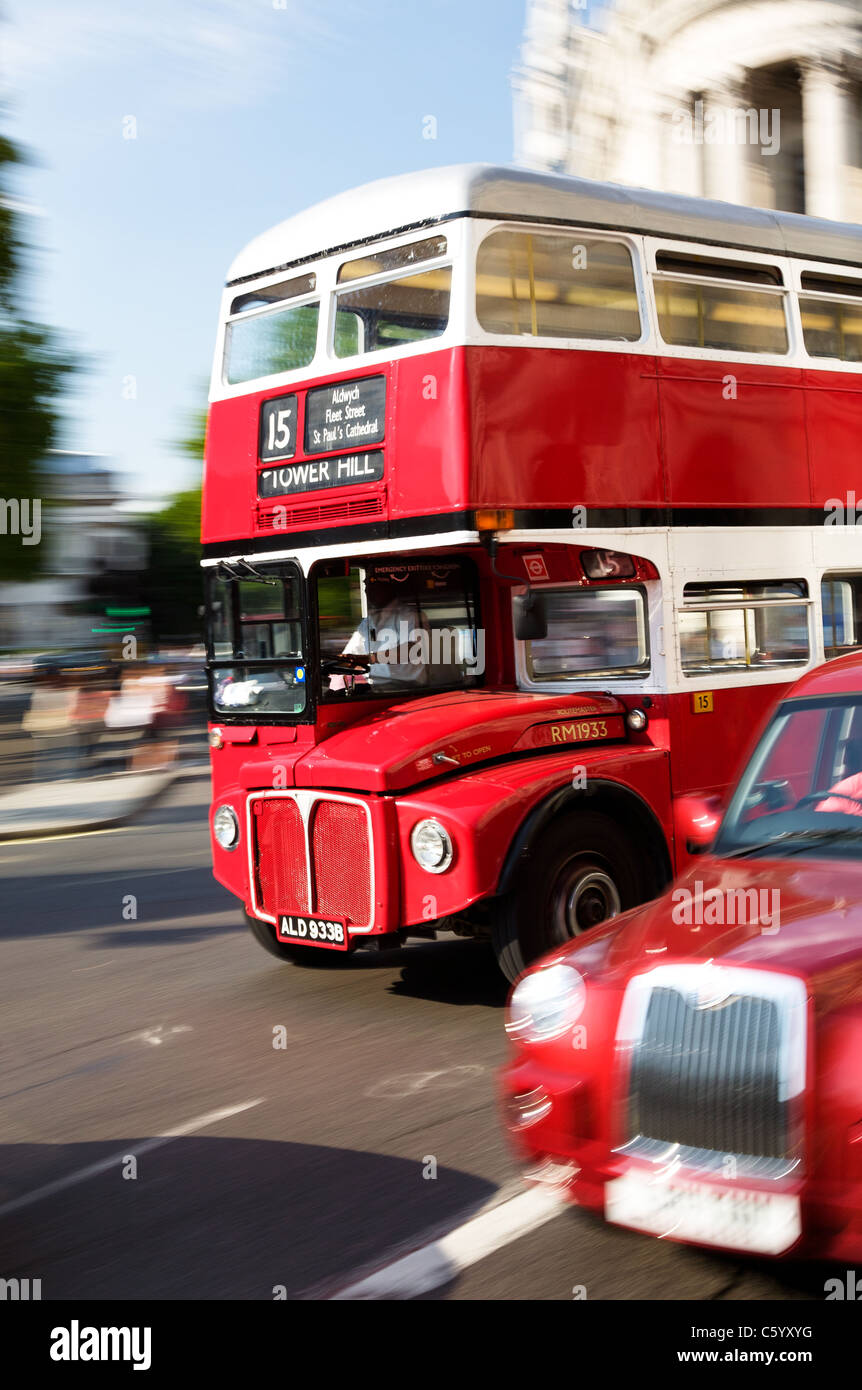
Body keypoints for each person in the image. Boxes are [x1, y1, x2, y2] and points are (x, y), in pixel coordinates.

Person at [333, 577, 430, 690]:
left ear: (388, 588)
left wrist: (368, 658)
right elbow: (351, 653)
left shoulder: (409, 616)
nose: (368, 592)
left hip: (408, 688)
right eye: (366, 587)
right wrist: (335, 663)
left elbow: (412, 650)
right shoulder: (368, 622)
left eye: (374, 586)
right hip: (376, 686)